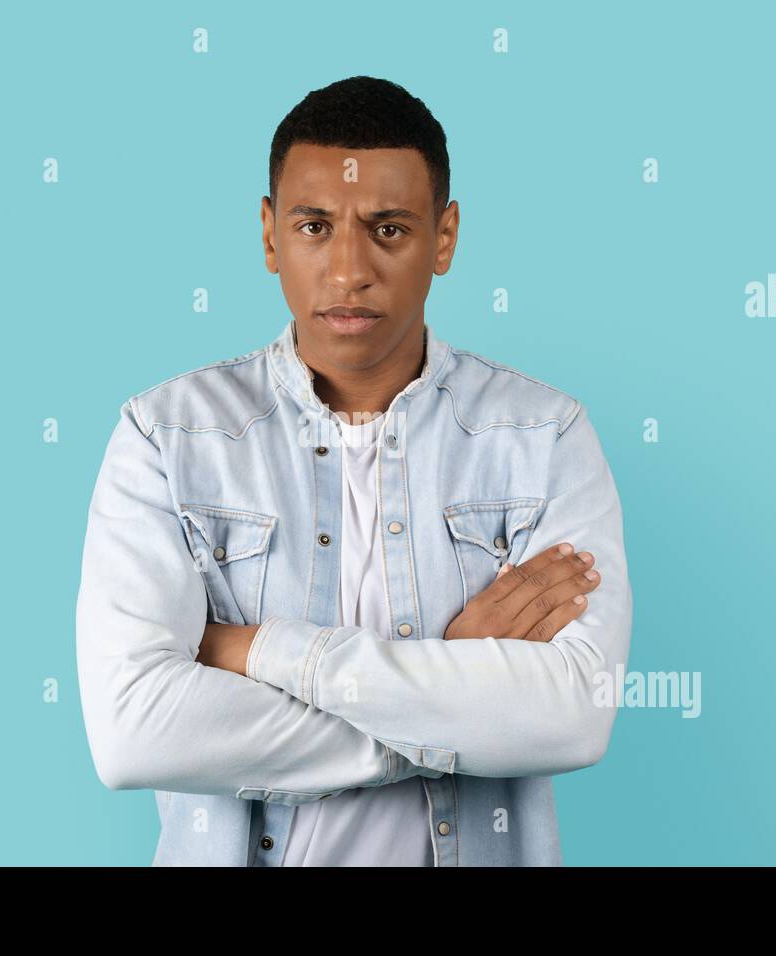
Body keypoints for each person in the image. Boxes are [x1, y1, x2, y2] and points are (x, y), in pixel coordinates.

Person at [75, 75, 632, 866]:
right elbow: (133, 733)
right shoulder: (166, 437)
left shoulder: (543, 436)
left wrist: (262, 651)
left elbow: (574, 714)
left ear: (445, 238)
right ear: (269, 235)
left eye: (389, 229)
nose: (348, 270)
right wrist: (453, 702)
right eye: (313, 225)